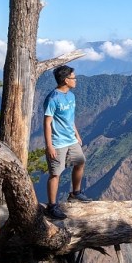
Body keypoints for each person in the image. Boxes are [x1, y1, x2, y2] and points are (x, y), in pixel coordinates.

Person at [43, 65, 92, 219]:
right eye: (73, 78)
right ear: (66, 80)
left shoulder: (71, 96)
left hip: (71, 139)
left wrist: (77, 134)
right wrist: (49, 145)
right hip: (57, 143)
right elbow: (47, 123)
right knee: (55, 174)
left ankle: (75, 193)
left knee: (80, 162)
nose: (75, 80)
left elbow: (70, 119)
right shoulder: (53, 98)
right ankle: (52, 206)